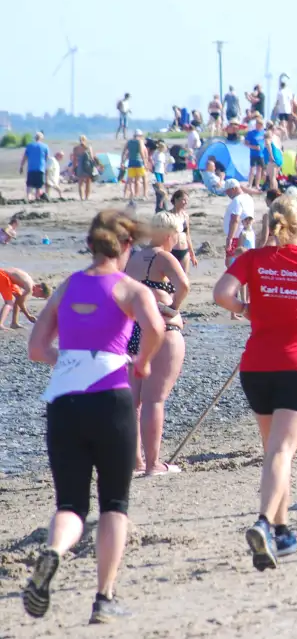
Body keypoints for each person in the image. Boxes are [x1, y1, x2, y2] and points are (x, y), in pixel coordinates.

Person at [23, 210, 164, 624]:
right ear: (126, 246)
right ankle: (104, 598)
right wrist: (142, 362)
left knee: (70, 504)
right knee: (114, 505)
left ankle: (54, 550)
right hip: (110, 400)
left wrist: (70, 361)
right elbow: (155, 328)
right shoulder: (131, 289)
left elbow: (36, 348)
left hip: (64, 401)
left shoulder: (68, 286)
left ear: (90, 243)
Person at [213, 195, 297, 570]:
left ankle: (282, 530)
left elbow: (221, 294)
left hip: (257, 368)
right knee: (281, 452)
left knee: (276, 451)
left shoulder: (254, 259)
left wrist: (246, 308)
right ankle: (263, 522)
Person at [125, 212, 190, 476]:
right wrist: (174, 308)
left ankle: (136, 462)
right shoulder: (162, 256)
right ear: (169, 234)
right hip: (162, 329)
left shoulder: (134, 258)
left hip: (135, 329)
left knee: (134, 401)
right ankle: (153, 464)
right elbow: (184, 284)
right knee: (154, 399)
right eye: (177, 235)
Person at [169, 190, 199, 274]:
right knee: (171, 277)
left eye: (187, 200)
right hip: (171, 251)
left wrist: (192, 255)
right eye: (184, 200)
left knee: (184, 277)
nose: (186, 202)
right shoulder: (168, 215)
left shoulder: (185, 216)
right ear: (176, 199)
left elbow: (187, 235)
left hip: (184, 251)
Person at [19, 132, 50, 202]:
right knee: (38, 186)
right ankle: (37, 198)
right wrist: (47, 168)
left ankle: (28, 198)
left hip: (31, 168)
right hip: (40, 168)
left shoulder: (29, 146)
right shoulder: (45, 146)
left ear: (35, 138)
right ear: (42, 138)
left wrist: (21, 166)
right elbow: (47, 158)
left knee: (29, 185)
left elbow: (24, 157)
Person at [123, 131, 149, 200]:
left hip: (131, 163)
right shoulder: (139, 142)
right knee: (144, 178)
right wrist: (145, 162)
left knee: (131, 180)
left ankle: (133, 194)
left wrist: (122, 162)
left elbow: (125, 152)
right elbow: (141, 152)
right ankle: (144, 195)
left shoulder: (129, 142)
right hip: (139, 162)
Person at [73, 136, 99, 202]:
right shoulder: (88, 147)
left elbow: (74, 159)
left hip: (80, 166)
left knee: (80, 182)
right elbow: (92, 158)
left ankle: (81, 197)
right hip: (88, 166)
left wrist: (74, 168)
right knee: (88, 182)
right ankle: (86, 197)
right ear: (86, 140)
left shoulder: (76, 148)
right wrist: (96, 165)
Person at [245, 118, 266, 190]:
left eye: (261, 125)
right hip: (253, 154)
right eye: (258, 124)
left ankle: (257, 185)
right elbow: (246, 143)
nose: (260, 126)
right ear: (256, 124)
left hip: (261, 154)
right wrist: (253, 147)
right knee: (252, 169)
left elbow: (266, 141)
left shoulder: (263, 133)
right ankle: (250, 184)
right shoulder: (251, 133)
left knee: (259, 170)